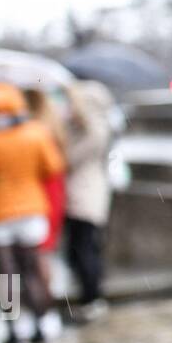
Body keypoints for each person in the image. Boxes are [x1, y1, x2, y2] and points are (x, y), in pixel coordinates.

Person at [0, 82, 65, 343]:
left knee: (6, 273)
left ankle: (12, 329)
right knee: (33, 268)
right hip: (31, 208)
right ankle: (42, 323)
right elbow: (53, 166)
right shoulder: (34, 133)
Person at [62, 81, 115, 321]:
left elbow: (71, 159)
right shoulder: (91, 126)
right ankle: (90, 296)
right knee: (82, 247)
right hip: (84, 193)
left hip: (85, 194)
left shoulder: (94, 129)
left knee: (85, 248)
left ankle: (92, 298)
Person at [22, 87, 67, 304]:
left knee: (35, 255)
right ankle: (44, 303)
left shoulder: (33, 132)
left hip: (37, 194)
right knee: (43, 252)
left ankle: (40, 303)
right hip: (52, 193)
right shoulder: (53, 128)